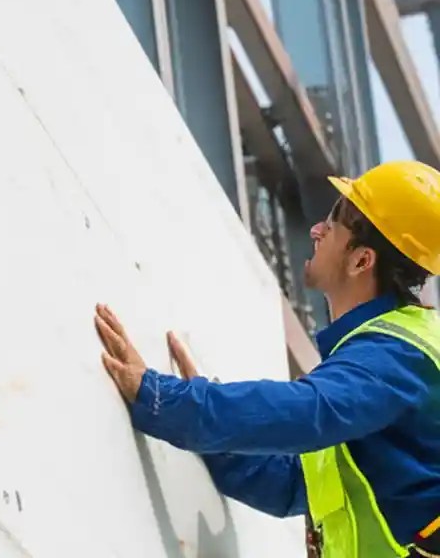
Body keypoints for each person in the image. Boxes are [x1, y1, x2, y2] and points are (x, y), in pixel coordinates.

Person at [95, 160, 440, 557]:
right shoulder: (379, 362)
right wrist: (201, 413)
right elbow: (293, 484)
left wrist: (163, 397)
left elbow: (306, 411)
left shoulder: (400, 353)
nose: (316, 230)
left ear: (362, 260)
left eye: (333, 222)